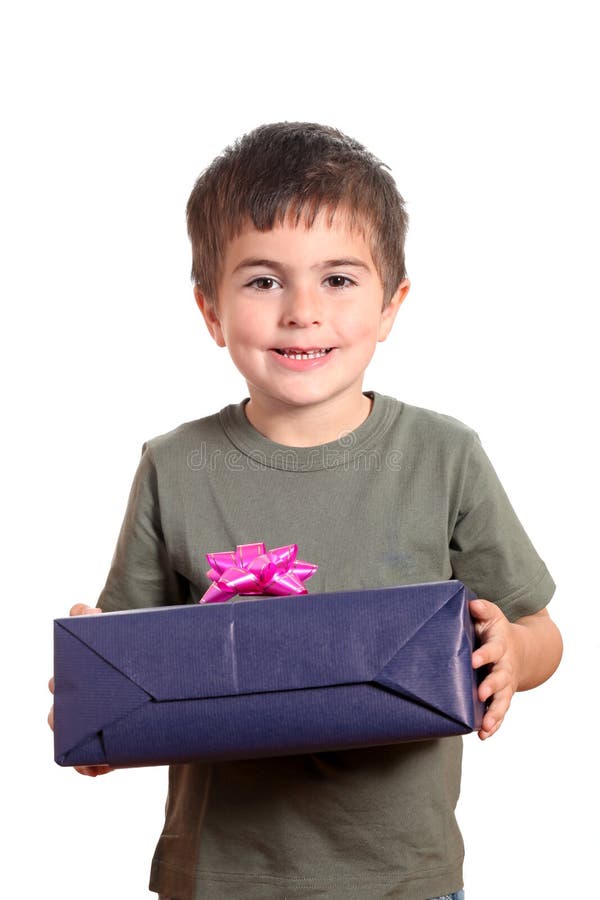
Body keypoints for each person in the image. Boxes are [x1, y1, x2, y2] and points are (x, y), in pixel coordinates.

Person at [48, 122, 562, 899]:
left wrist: (514, 657)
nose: (301, 311)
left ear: (391, 305)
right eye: (262, 281)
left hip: (404, 879)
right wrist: (94, 712)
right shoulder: (174, 465)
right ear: (210, 310)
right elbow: (132, 665)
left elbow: (539, 629)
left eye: (339, 279)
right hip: (218, 878)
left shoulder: (443, 455)